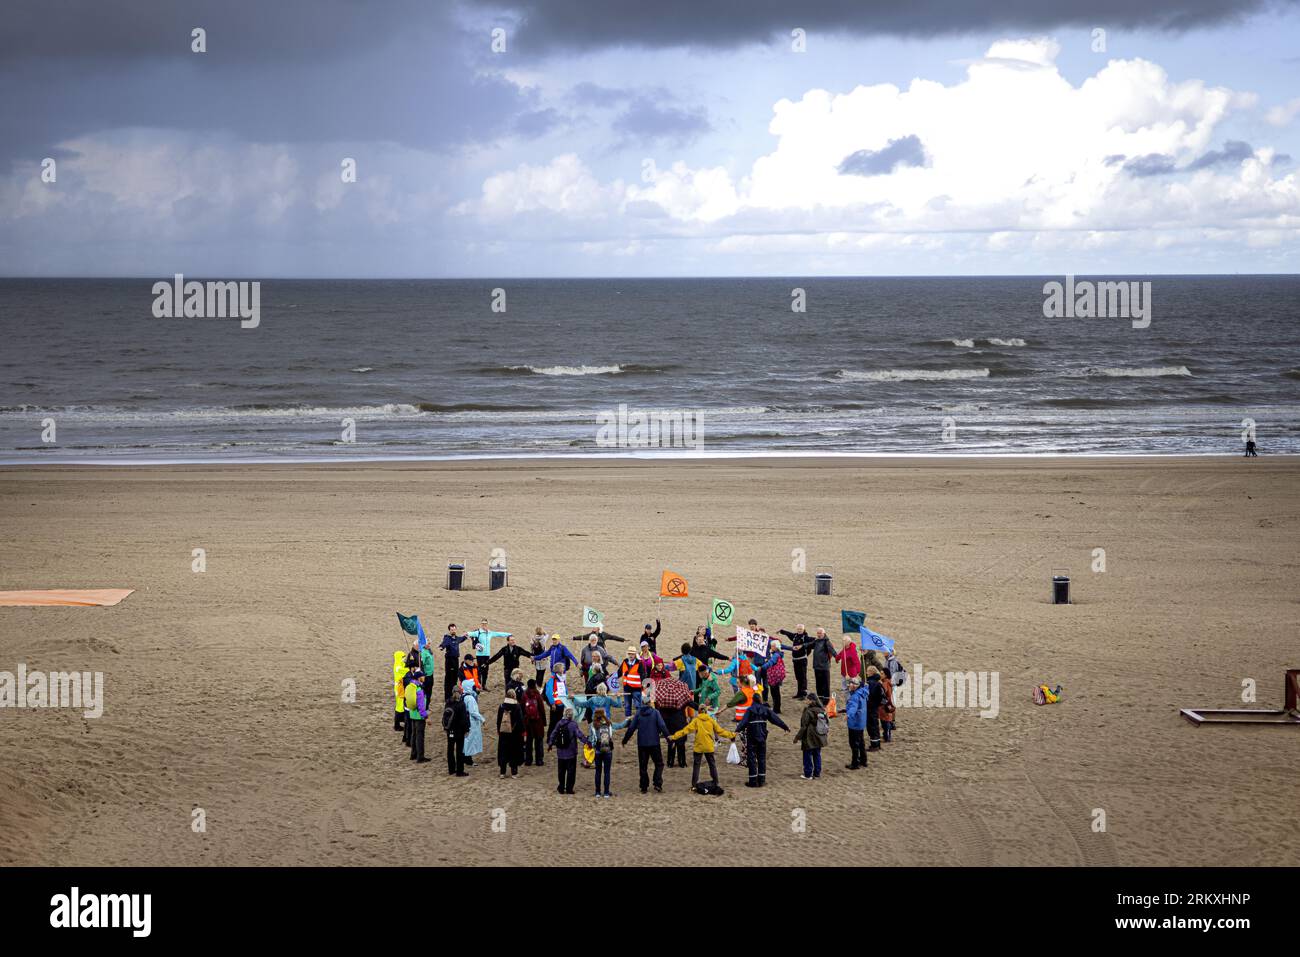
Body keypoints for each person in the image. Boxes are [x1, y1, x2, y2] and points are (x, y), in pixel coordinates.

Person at [669, 704, 735, 794]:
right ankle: (715, 782)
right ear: (706, 711)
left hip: (698, 747)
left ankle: (694, 785)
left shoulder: (696, 720)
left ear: (699, 711)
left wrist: (674, 737)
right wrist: (731, 735)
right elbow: (720, 731)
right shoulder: (711, 720)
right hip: (709, 746)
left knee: (696, 766)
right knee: (712, 765)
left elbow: (685, 730)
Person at [735, 690, 789, 787]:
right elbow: (775, 719)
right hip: (762, 736)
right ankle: (762, 780)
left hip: (752, 736)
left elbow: (743, 722)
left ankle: (753, 781)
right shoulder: (765, 709)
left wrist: (736, 731)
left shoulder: (750, 710)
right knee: (761, 757)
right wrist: (785, 727)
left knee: (751, 758)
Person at [622, 694, 670, 793]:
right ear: (649, 703)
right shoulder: (656, 713)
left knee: (643, 766)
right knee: (659, 764)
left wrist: (625, 740)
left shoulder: (638, 714)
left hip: (642, 744)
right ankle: (657, 783)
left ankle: (644, 786)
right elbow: (662, 726)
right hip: (654, 743)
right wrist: (669, 739)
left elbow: (631, 728)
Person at [651, 666, 694, 768]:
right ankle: (682, 762)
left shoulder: (663, 699)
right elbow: (691, 704)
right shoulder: (681, 697)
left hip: (668, 724)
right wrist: (702, 708)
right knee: (681, 744)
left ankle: (670, 763)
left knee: (671, 743)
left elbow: (658, 709)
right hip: (680, 723)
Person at [547, 706, 587, 794]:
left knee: (561, 771)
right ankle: (569, 789)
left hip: (560, 752)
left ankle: (561, 787)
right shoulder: (573, 724)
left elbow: (553, 734)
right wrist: (587, 742)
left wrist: (550, 744)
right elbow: (579, 735)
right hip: (571, 752)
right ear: (572, 716)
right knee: (571, 772)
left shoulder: (559, 723)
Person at [467, 620, 512, 691]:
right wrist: (465, 635)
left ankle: (484, 685)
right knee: (479, 670)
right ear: (481, 624)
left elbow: (499, 634)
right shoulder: (478, 632)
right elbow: (469, 634)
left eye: (485, 624)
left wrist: (509, 634)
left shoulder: (490, 633)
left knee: (486, 670)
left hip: (487, 655)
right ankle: (478, 685)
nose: (484, 625)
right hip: (479, 655)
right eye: (483, 624)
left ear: (487, 624)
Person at [795, 694, 829, 779]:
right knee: (817, 755)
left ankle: (808, 774)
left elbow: (804, 726)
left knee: (807, 755)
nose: (806, 701)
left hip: (809, 736)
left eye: (807, 699)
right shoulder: (822, 710)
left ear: (811, 701)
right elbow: (827, 723)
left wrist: (797, 737)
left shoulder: (808, 711)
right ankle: (817, 774)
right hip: (820, 736)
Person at [755, 637, 791, 714]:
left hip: (774, 676)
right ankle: (776, 708)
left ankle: (776, 709)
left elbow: (771, 662)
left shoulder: (776, 655)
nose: (771, 647)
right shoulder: (777, 654)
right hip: (776, 676)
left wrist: (762, 667)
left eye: (772, 646)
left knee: (775, 692)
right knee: (776, 692)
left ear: (776, 647)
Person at [496, 688, 525, 777]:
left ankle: (502, 772)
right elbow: (520, 720)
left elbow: (498, 720)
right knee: (514, 752)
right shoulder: (517, 706)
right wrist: (523, 731)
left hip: (503, 732)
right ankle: (514, 772)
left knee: (503, 751)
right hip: (514, 733)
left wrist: (498, 730)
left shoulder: (501, 706)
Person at [589, 710, 617, 797]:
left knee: (598, 771)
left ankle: (597, 792)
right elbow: (612, 735)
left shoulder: (593, 725)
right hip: (608, 749)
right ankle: (606, 793)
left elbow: (591, 740)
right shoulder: (608, 724)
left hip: (597, 750)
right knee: (607, 772)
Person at [808, 628, 840, 703]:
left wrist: (837, 658)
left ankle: (826, 700)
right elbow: (808, 645)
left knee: (825, 684)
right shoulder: (816, 641)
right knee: (818, 684)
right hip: (816, 666)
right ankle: (820, 698)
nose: (819, 635)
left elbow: (832, 650)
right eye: (818, 633)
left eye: (820, 633)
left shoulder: (826, 642)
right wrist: (801, 646)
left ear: (824, 633)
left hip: (824, 667)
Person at [779, 624, 811, 700]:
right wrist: (782, 631)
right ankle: (799, 693)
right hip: (795, 660)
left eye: (801, 629)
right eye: (798, 629)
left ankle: (804, 693)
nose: (799, 630)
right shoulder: (795, 636)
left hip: (802, 660)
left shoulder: (805, 637)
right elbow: (789, 634)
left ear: (803, 629)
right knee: (798, 677)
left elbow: (812, 642)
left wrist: (803, 647)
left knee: (803, 677)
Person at [444, 684, 469, 776]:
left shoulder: (448, 702)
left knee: (450, 749)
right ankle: (459, 771)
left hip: (449, 730)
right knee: (459, 750)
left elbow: (445, 716)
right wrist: (467, 729)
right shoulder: (461, 704)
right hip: (459, 731)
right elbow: (464, 719)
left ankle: (451, 769)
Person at [439, 625, 470, 700]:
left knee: (455, 678)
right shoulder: (447, 638)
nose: (453, 631)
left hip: (456, 660)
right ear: (449, 630)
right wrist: (442, 647)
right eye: (452, 630)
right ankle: (447, 697)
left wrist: (465, 637)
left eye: (454, 629)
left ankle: (453, 695)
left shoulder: (456, 638)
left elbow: (461, 639)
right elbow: (444, 643)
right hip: (449, 661)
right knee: (448, 679)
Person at [844, 677, 869, 769]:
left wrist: (848, 715)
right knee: (861, 742)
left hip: (854, 723)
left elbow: (853, 707)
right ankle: (863, 760)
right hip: (861, 722)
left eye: (852, 684)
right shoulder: (863, 692)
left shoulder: (855, 696)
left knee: (854, 743)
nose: (851, 685)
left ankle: (855, 763)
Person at [405, 671, 429, 762]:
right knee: (420, 737)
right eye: (423, 676)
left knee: (414, 735)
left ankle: (413, 754)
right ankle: (420, 757)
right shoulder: (419, 689)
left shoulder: (411, 686)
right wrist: (425, 716)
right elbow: (421, 705)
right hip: (419, 716)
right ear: (419, 678)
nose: (424, 678)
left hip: (412, 714)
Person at [522, 678, 547, 767]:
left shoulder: (524, 695)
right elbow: (542, 709)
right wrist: (544, 722)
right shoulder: (537, 695)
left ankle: (528, 760)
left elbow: (522, 709)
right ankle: (539, 760)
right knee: (539, 741)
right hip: (538, 721)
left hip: (528, 722)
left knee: (529, 741)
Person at [461, 678, 485, 767]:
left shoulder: (463, 696)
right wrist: (482, 719)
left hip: (465, 721)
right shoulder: (470, 698)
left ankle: (465, 758)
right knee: (469, 740)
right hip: (471, 722)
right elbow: (473, 712)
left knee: (466, 740)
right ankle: (468, 760)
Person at [617, 646, 647, 716]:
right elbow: (619, 672)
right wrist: (611, 676)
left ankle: (639, 720)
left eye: (632, 654)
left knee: (637, 706)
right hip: (626, 688)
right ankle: (628, 721)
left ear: (635, 655)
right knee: (627, 706)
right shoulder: (625, 661)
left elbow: (643, 675)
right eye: (629, 654)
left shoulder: (640, 663)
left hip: (636, 688)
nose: (630, 655)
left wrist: (643, 686)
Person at [864, 667, 884, 751]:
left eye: (868, 671)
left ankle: (874, 745)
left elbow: (869, 695)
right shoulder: (878, 682)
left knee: (871, 726)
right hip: (875, 707)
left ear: (871, 672)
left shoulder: (870, 683)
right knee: (875, 725)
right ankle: (877, 744)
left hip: (870, 707)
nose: (866, 672)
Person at [839, 632, 861, 699]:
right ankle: (847, 700)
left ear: (848, 642)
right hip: (844, 672)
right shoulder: (845, 648)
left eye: (844, 641)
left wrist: (858, 671)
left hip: (850, 674)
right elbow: (841, 654)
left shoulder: (852, 651)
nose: (842, 643)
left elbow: (857, 662)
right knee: (844, 687)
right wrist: (837, 658)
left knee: (850, 688)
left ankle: (850, 700)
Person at [392, 650, 409, 732]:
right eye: (403, 657)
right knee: (399, 707)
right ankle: (396, 725)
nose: (404, 658)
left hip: (400, 687)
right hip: (399, 689)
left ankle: (399, 723)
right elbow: (405, 671)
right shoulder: (398, 667)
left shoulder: (400, 664)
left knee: (400, 705)